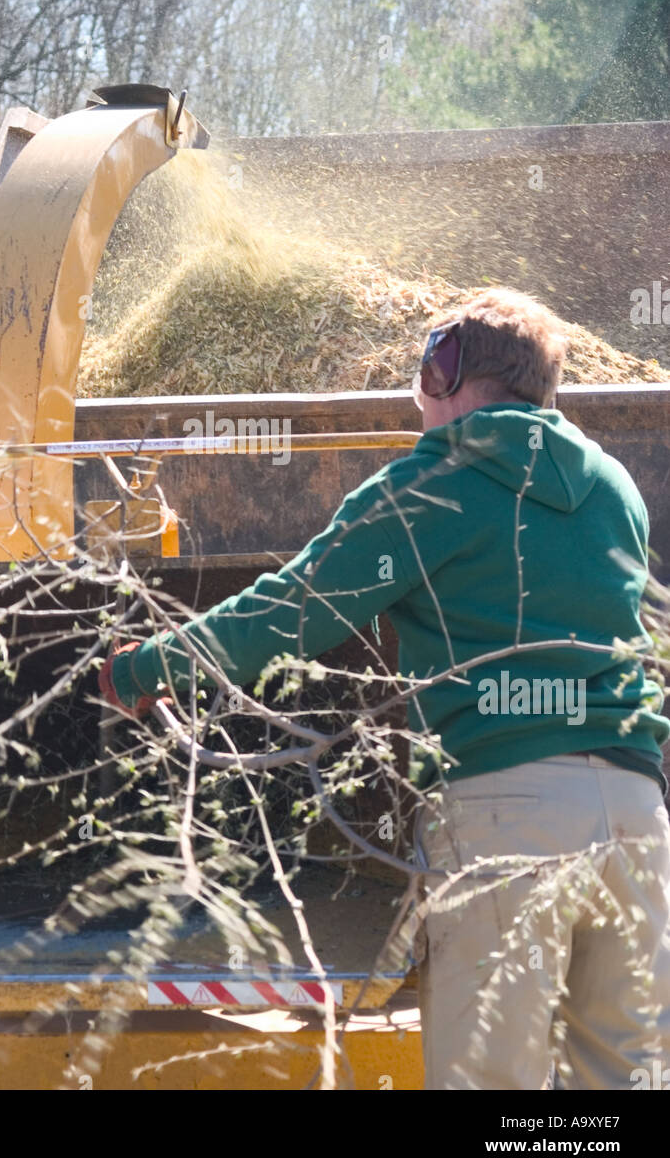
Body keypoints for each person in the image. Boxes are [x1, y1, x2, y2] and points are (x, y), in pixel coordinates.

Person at [99, 286, 670, 1090]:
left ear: (448, 376)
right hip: (638, 820)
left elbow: (291, 613)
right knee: (620, 1086)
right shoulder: (615, 487)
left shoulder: (432, 484)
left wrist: (144, 665)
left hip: (510, 816)